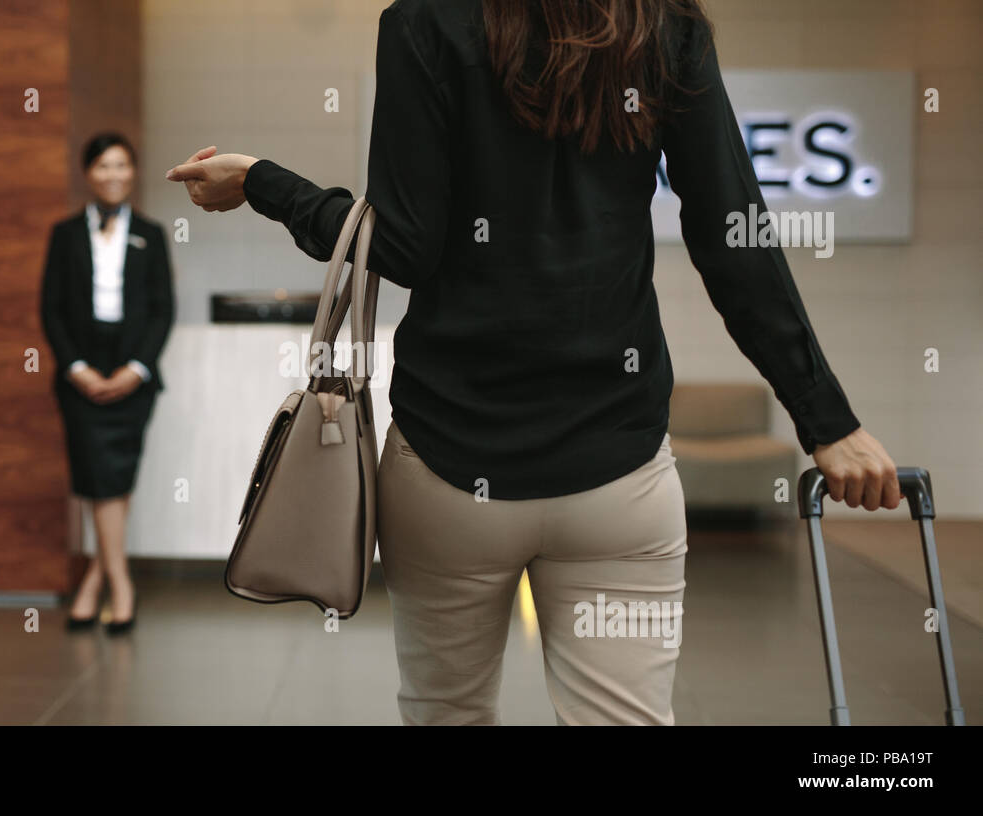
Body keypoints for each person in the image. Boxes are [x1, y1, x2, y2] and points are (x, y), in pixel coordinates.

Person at [165, 0, 901, 724]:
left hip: (449, 468)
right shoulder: (664, 24)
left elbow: (401, 248)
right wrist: (825, 419)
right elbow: (732, 233)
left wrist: (264, 182)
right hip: (619, 470)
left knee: (446, 714)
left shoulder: (425, 21)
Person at [41, 132, 175, 635]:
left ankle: (97, 581)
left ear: (133, 172)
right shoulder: (64, 234)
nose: (112, 175)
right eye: (102, 166)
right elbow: (50, 309)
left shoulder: (153, 234)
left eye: (121, 165)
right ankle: (120, 583)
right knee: (101, 478)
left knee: (115, 477)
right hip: (80, 374)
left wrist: (134, 369)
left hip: (133, 373)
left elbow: (163, 311)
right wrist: (77, 369)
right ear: (87, 173)